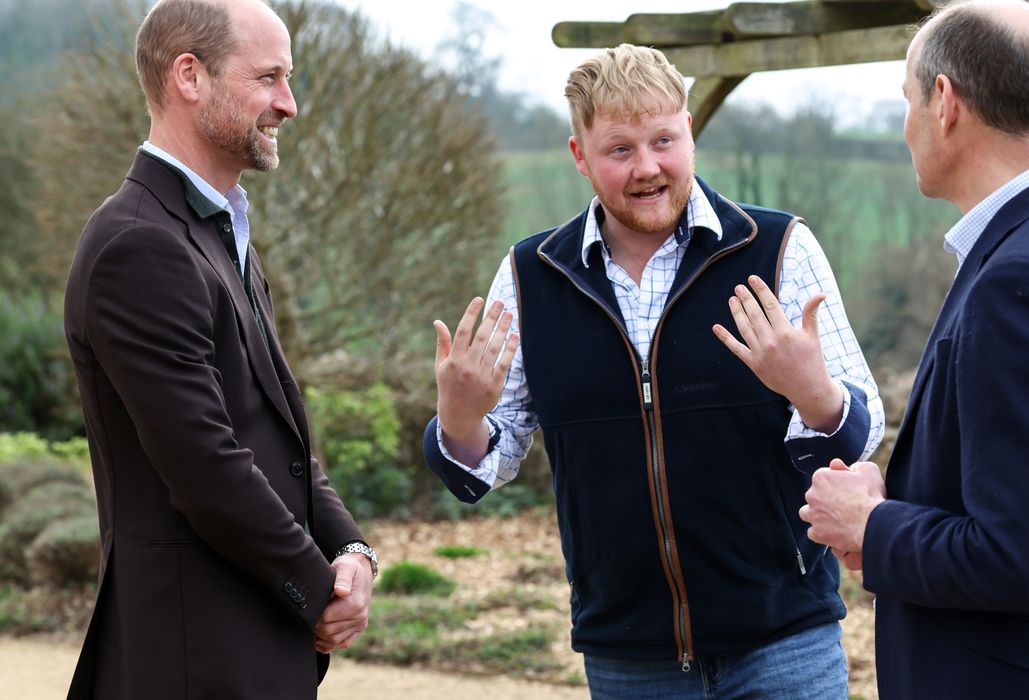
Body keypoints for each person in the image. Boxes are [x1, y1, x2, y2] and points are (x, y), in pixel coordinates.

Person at [424, 43, 884, 698]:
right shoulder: (533, 276)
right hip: (626, 652)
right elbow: (484, 462)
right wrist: (460, 418)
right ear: (579, 155)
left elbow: (856, 432)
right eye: (619, 150)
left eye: (662, 140)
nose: (647, 168)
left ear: (688, 132)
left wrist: (812, 392)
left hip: (783, 640)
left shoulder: (776, 248)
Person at [798, 0, 1029, 697]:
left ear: (944, 102)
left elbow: (1014, 558)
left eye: (906, 99)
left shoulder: (1024, 278)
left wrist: (872, 525)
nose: (904, 126)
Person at [62, 0, 377, 696]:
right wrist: (318, 587)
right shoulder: (138, 245)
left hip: (244, 646)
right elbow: (206, 465)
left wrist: (351, 550)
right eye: (268, 77)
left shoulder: (218, 235)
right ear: (189, 76)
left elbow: (274, 432)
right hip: (190, 659)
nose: (288, 104)